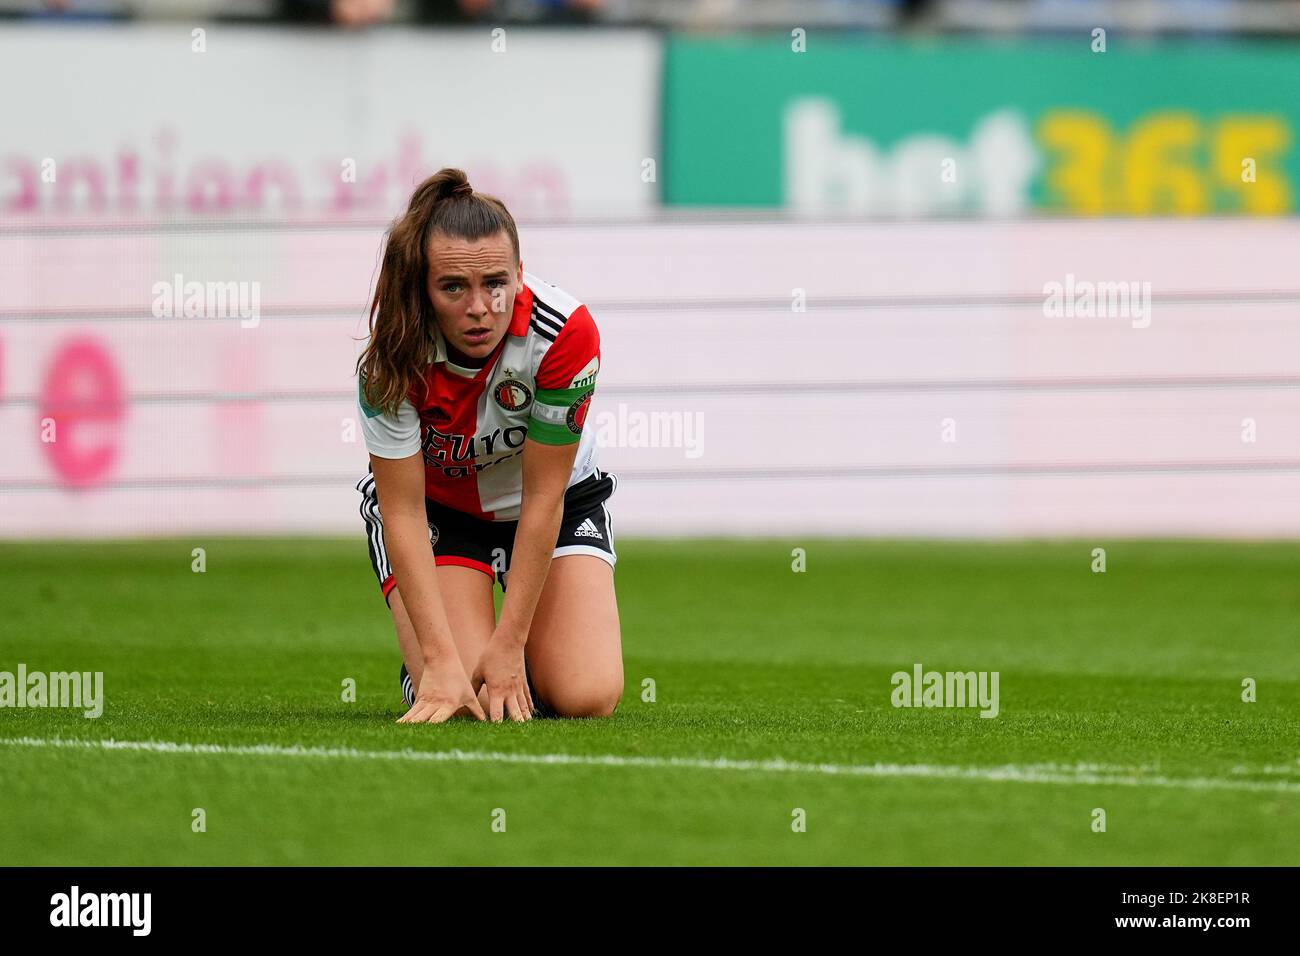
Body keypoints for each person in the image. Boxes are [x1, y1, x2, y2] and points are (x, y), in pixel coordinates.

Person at [354, 167, 623, 724]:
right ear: (424, 289)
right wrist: (438, 658)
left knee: (586, 696)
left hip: (551, 504)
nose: (479, 307)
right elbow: (400, 510)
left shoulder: (565, 334)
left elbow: (545, 498)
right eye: (453, 287)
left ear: (520, 274)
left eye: (495, 283)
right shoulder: (395, 352)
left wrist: (510, 644)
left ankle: (522, 656)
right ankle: (430, 659)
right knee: (462, 699)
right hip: (439, 514)